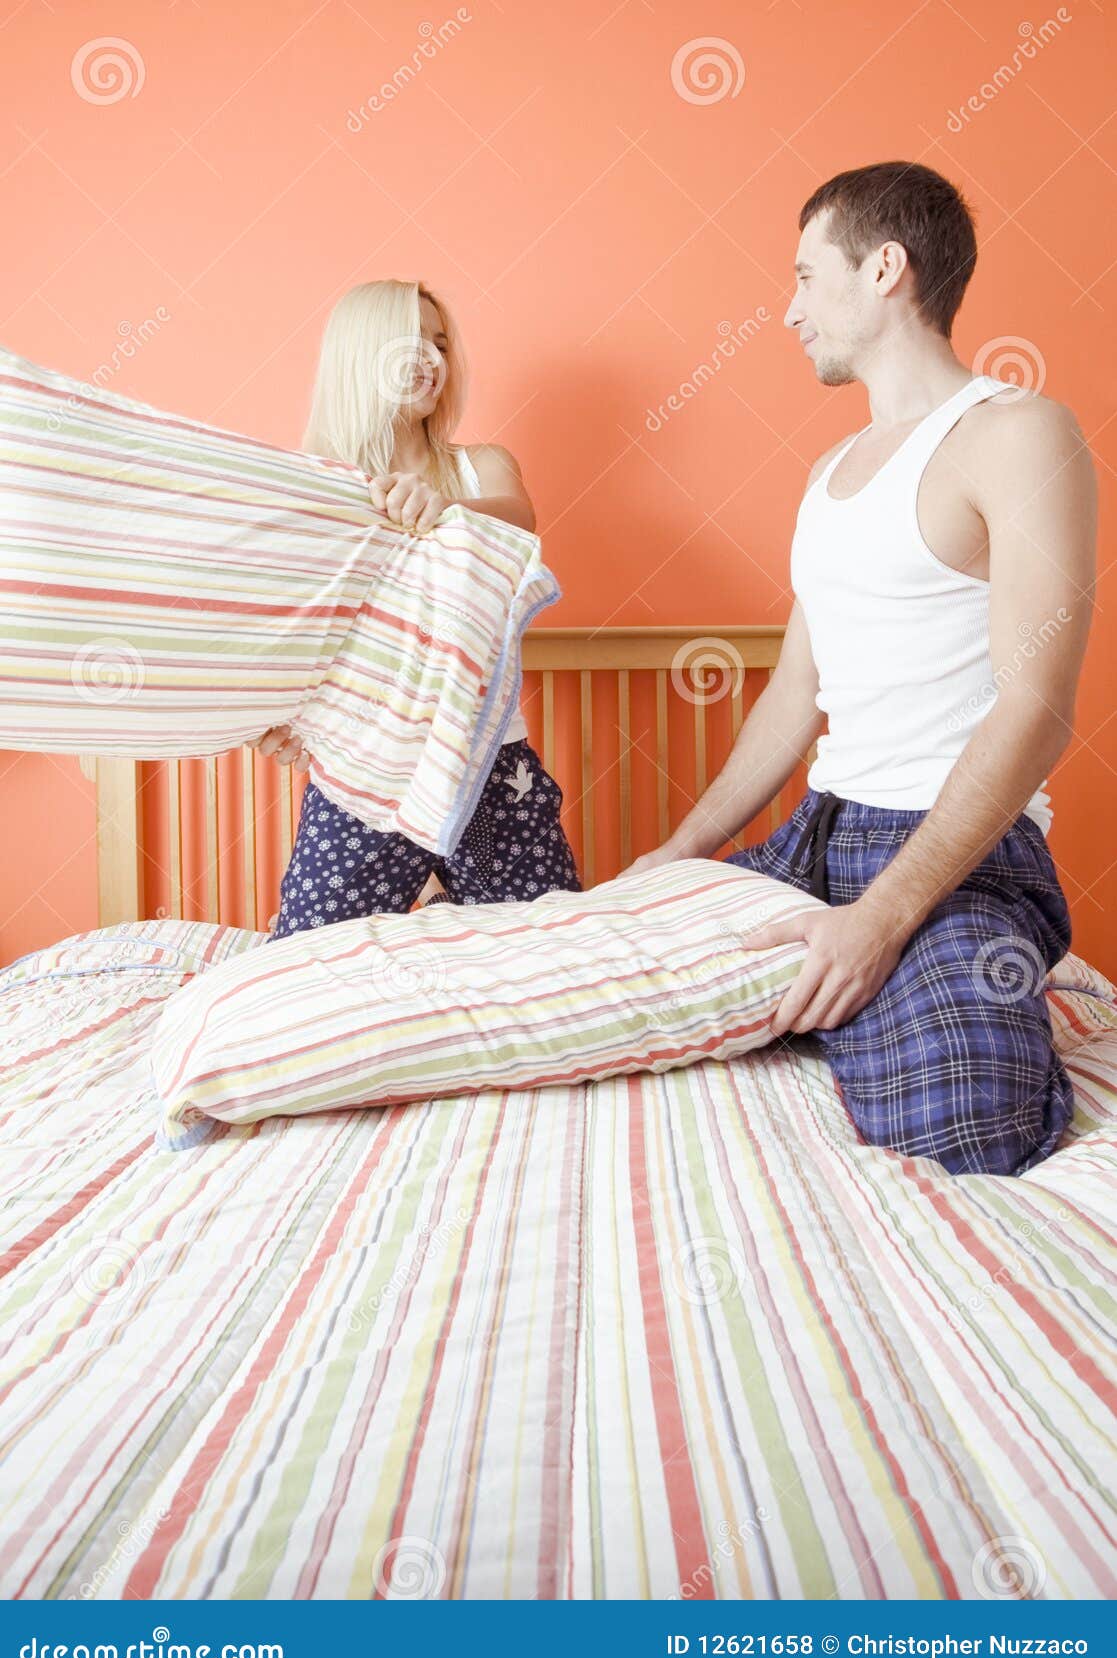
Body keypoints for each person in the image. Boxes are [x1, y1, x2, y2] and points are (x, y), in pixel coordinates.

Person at [623, 161, 1096, 1176]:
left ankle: (905, 996)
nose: (787, 310)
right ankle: (843, 1002)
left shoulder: (1017, 434)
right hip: (816, 835)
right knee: (605, 966)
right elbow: (797, 695)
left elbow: (1038, 705)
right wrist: (681, 850)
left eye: (804, 276)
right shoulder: (826, 474)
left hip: (950, 846)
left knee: (972, 1120)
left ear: (885, 268)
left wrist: (881, 921)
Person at [257, 280, 580, 937]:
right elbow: (296, 629)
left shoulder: (479, 470)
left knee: (550, 948)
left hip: (490, 763)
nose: (433, 359)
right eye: (412, 343)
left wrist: (445, 510)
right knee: (308, 952)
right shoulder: (316, 489)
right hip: (365, 767)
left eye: (441, 343)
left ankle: (443, 914)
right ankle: (438, 914)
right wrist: (278, 717)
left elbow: (519, 526)